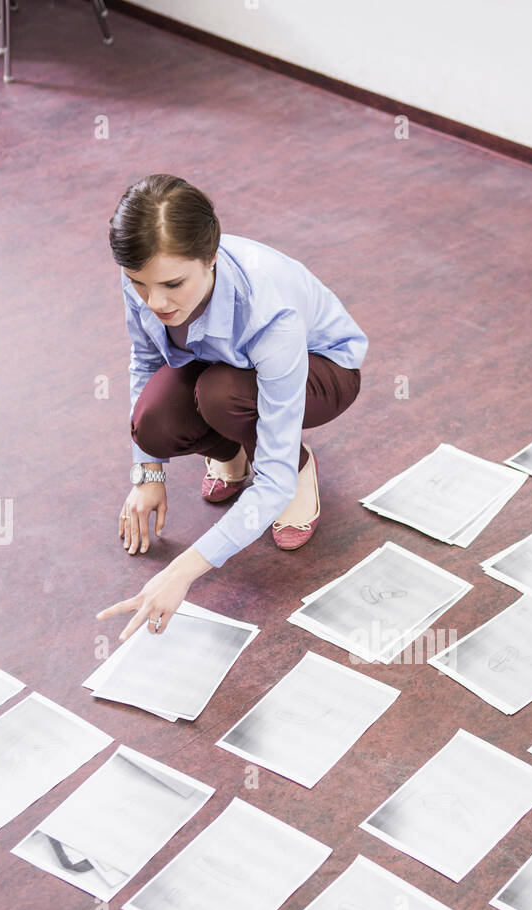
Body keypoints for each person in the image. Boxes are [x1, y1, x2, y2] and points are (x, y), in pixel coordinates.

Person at [96, 174, 367, 641]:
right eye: (139, 283)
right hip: (221, 366)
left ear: (211, 258)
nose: (155, 301)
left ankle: (298, 464)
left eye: (172, 284)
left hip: (323, 371)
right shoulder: (145, 274)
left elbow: (271, 482)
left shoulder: (271, 317)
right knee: (152, 422)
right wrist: (148, 474)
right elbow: (144, 364)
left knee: (222, 396)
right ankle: (233, 453)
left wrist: (180, 571)